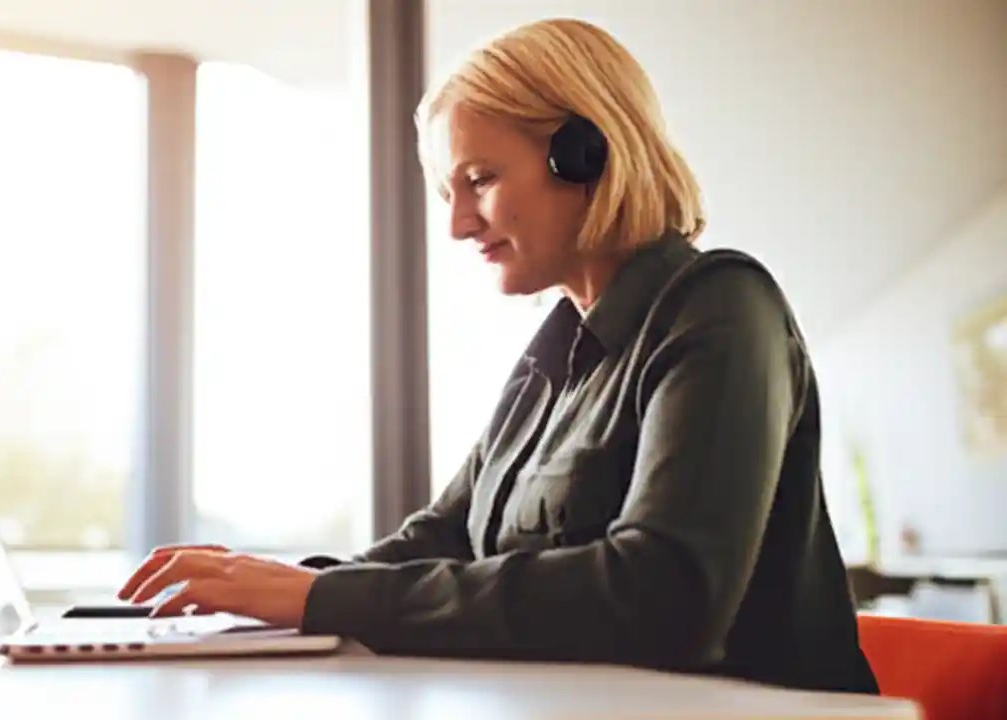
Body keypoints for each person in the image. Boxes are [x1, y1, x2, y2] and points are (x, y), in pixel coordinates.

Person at [117, 17, 878, 694]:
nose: (456, 225)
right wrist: (276, 586)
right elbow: (441, 538)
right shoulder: (547, 364)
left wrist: (319, 602)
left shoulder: (720, 307)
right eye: (449, 190)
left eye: (478, 180)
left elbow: (665, 595)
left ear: (587, 155)